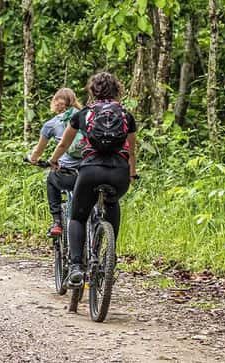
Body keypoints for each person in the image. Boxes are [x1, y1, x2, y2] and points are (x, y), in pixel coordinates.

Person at [47, 72, 138, 287]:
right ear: (117, 90)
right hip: (118, 172)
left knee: (78, 217)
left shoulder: (83, 114)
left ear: (92, 91)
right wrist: (132, 174)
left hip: (90, 171)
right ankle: (109, 257)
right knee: (112, 202)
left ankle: (76, 266)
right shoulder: (126, 115)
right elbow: (132, 151)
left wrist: (53, 160)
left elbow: (64, 145)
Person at [27, 88, 85, 236]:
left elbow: (38, 151)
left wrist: (33, 159)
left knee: (51, 179)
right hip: (90, 170)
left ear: (55, 102)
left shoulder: (51, 124)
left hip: (68, 174)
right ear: (73, 101)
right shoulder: (86, 117)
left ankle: (57, 222)